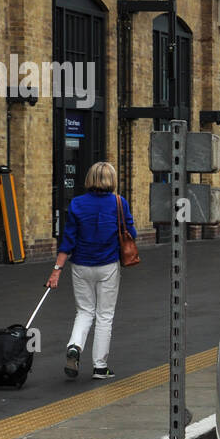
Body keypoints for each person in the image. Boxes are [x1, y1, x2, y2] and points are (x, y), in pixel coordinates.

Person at [45, 162, 137, 380]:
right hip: (107, 266)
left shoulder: (77, 204)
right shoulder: (119, 203)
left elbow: (68, 240)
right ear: (111, 179)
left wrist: (56, 270)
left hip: (80, 266)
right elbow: (130, 231)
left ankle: (75, 346)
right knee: (104, 315)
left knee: (84, 311)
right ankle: (100, 366)